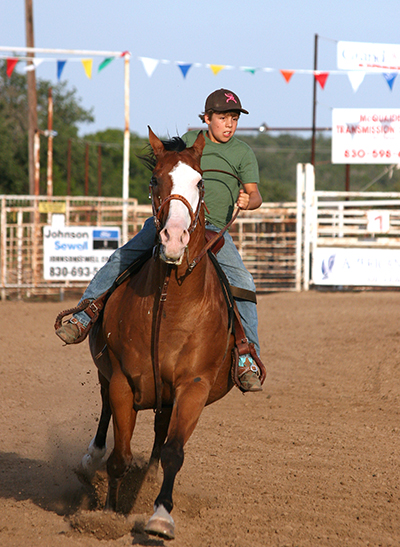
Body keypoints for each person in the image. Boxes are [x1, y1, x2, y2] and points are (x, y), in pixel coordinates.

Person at [56, 88, 263, 392]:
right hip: (172, 221)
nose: (229, 124)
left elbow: (255, 193)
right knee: (123, 257)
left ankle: (248, 355)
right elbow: (165, 165)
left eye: (233, 118)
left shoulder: (242, 153)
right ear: (207, 118)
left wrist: (250, 200)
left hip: (214, 230)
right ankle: (85, 313)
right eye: (222, 117)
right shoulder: (192, 141)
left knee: (243, 282)